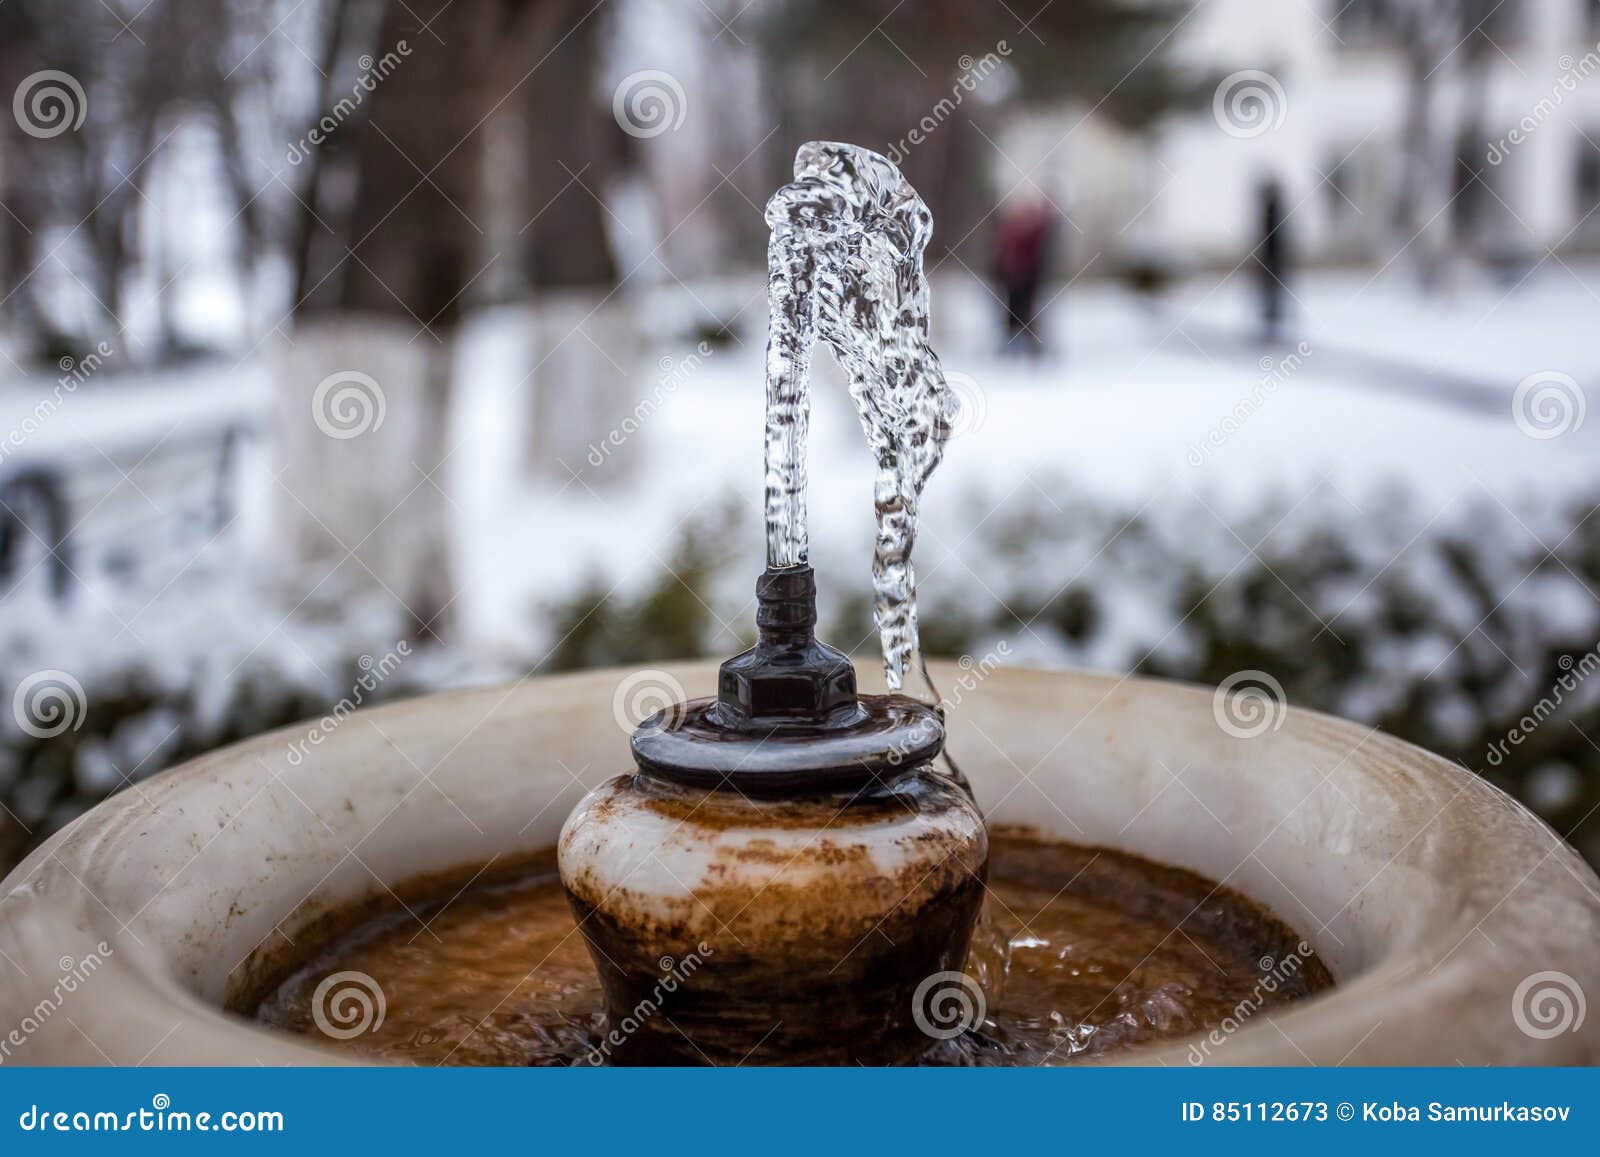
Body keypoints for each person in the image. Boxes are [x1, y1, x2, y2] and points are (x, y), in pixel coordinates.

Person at [992, 194, 1053, 356]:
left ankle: (1028, 345)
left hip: (1027, 279)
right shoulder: (1013, 232)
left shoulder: (1034, 232)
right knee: (1014, 310)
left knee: (1026, 310)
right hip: (1013, 279)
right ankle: (1014, 344)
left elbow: (1036, 256)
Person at [1254, 176, 1289, 343]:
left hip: (1273, 259)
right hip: (1270, 258)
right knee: (1269, 292)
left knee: (1273, 292)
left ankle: (1272, 322)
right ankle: (1270, 321)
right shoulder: (1270, 209)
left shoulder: (1273, 210)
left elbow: (1275, 237)